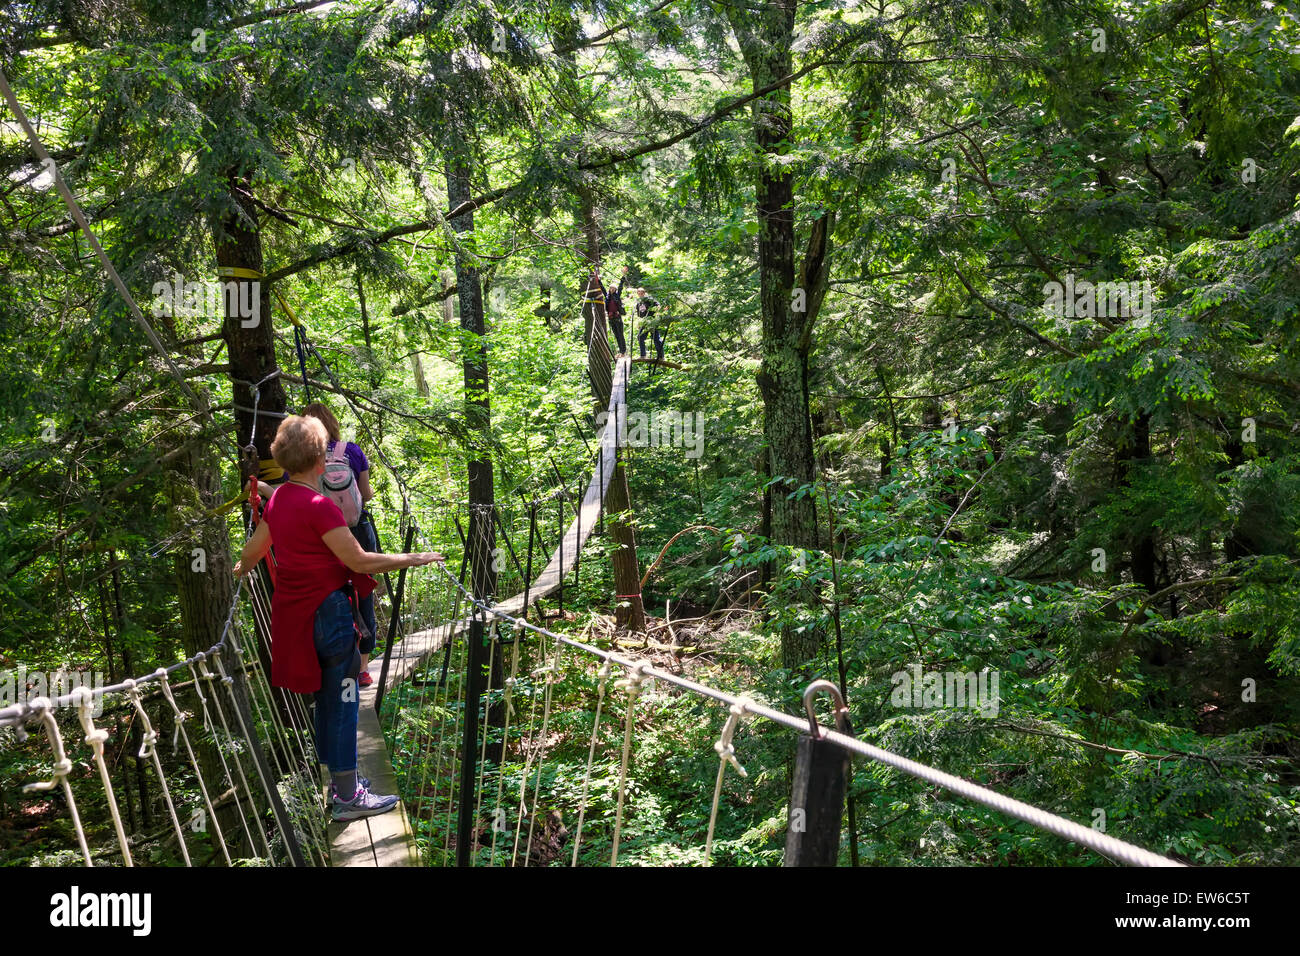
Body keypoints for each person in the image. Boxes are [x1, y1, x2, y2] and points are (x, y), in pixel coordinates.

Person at [234, 414, 443, 821]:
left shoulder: (279, 500)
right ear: (320, 462)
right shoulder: (319, 507)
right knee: (345, 698)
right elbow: (359, 561)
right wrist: (415, 558)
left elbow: (253, 551)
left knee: (325, 699)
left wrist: (240, 569)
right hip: (329, 613)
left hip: (296, 617)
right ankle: (348, 797)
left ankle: (340, 784)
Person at [301, 401, 381, 687]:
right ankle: (362, 669)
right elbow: (367, 494)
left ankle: (331, 667)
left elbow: (293, 496)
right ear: (333, 424)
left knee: (326, 594)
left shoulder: (303, 458)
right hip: (358, 531)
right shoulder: (352, 451)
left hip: (322, 537)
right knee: (364, 592)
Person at [634, 286, 667, 362]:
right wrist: (639, 323)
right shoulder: (638, 303)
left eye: (641, 292)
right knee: (640, 337)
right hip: (644, 323)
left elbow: (657, 305)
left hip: (652, 322)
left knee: (656, 339)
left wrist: (660, 308)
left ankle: (661, 356)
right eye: (638, 293)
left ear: (644, 293)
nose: (640, 294)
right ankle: (643, 355)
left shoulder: (649, 299)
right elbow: (639, 315)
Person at [602, 266, 629, 356]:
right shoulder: (607, 297)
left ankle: (623, 351)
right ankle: (621, 351)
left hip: (617, 317)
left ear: (615, 290)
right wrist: (598, 279)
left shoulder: (617, 296)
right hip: (611, 318)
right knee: (616, 335)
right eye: (611, 288)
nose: (612, 290)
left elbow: (621, 286)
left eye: (614, 289)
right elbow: (602, 288)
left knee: (620, 335)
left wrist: (623, 275)